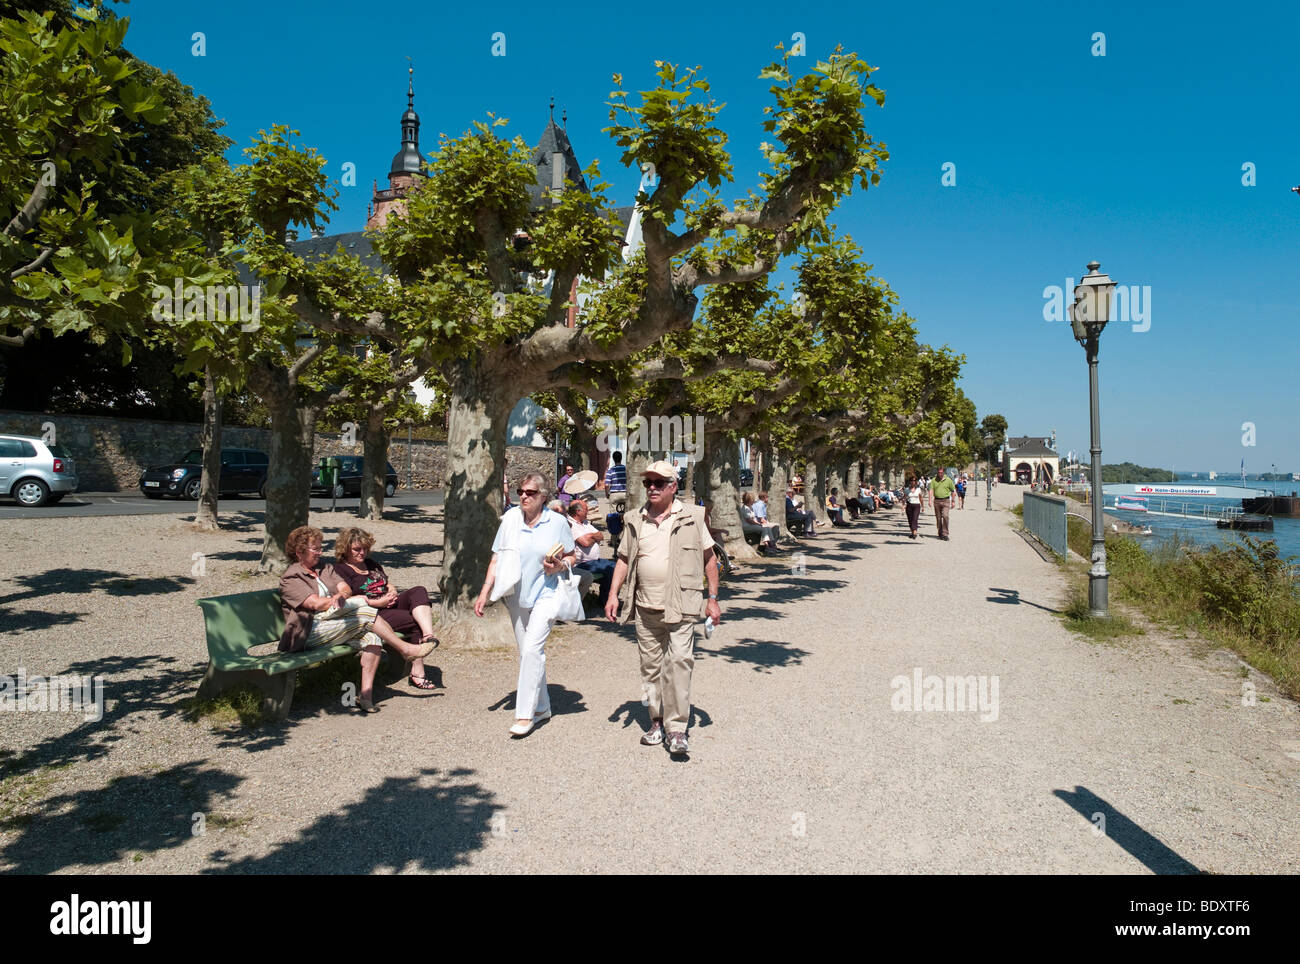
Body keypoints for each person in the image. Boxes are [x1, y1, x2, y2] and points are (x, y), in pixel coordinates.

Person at [605, 461, 721, 758]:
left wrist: (713, 598)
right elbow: (622, 558)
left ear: (673, 486)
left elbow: (710, 558)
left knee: (680, 662)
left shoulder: (693, 517)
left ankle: (677, 728)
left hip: (682, 604)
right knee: (651, 667)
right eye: (648, 483)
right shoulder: (635, 519)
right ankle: (656, 721)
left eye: (659, 483)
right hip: (644, 606)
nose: (652, 488)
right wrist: (613, 594)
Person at [278, 525, 435, 713]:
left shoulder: (325, 568)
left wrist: (341, 595)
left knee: (373, 638)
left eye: (321, 547)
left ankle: (365, 696)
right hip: (308, 631)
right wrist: (337, 599)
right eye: (316, 549)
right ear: (299, 552)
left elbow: (345, 589)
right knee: (363, 609)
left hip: (335, 621)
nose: (320, 552)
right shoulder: (291, 578)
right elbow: (315, 604)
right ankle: (406, 649)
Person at [475, 472, 578, 737]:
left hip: (548, 593)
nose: (523, 496)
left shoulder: (556, 522)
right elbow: (497, 558)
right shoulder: (510, 520)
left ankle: (525, 715)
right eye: (521, 491)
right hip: (517, 595)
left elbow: (572, 555)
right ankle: (543, 707)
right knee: (527, 654)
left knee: (532, 650)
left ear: (543, 496)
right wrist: (485, 591)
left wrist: (559, 566)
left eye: (530, 493)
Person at [333, 527, 439, 690]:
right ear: (345, 549)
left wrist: (392, 591)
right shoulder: (339, 570)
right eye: (357, 549)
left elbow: (385, 582)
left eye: (365, 549)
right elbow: (347, 599)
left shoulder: (371, 564)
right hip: (372, 613)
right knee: (413, 620)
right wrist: (378, 603)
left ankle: (428, 636)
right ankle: (417, 671)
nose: (362, 553)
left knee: (419, 590)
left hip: (388, 603)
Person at [566, 499, 614, 607]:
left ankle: (607, 599)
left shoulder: (586, 522)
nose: (588, 512)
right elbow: (585, 543)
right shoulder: (571, 524)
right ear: (578, 511)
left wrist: (591, 536)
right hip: (583, 563)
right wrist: (593, 537)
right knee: (610, 569)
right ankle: (605, 602)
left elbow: (600, 535)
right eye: (586, 509)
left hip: (595, 561)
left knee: (617, 566)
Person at [931, 466, 956, 540]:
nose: (940, 474)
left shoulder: (948, 480)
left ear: (944, 472)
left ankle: (945, 534)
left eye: (941, 472)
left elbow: (953, 491)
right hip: (937, 501)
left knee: (945, 516)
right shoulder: (934, 480)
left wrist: (953, 501)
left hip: (946, 501)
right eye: (939, 472)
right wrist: (930, 500)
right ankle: (940, 531)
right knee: (938, 518)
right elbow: (931, 490)